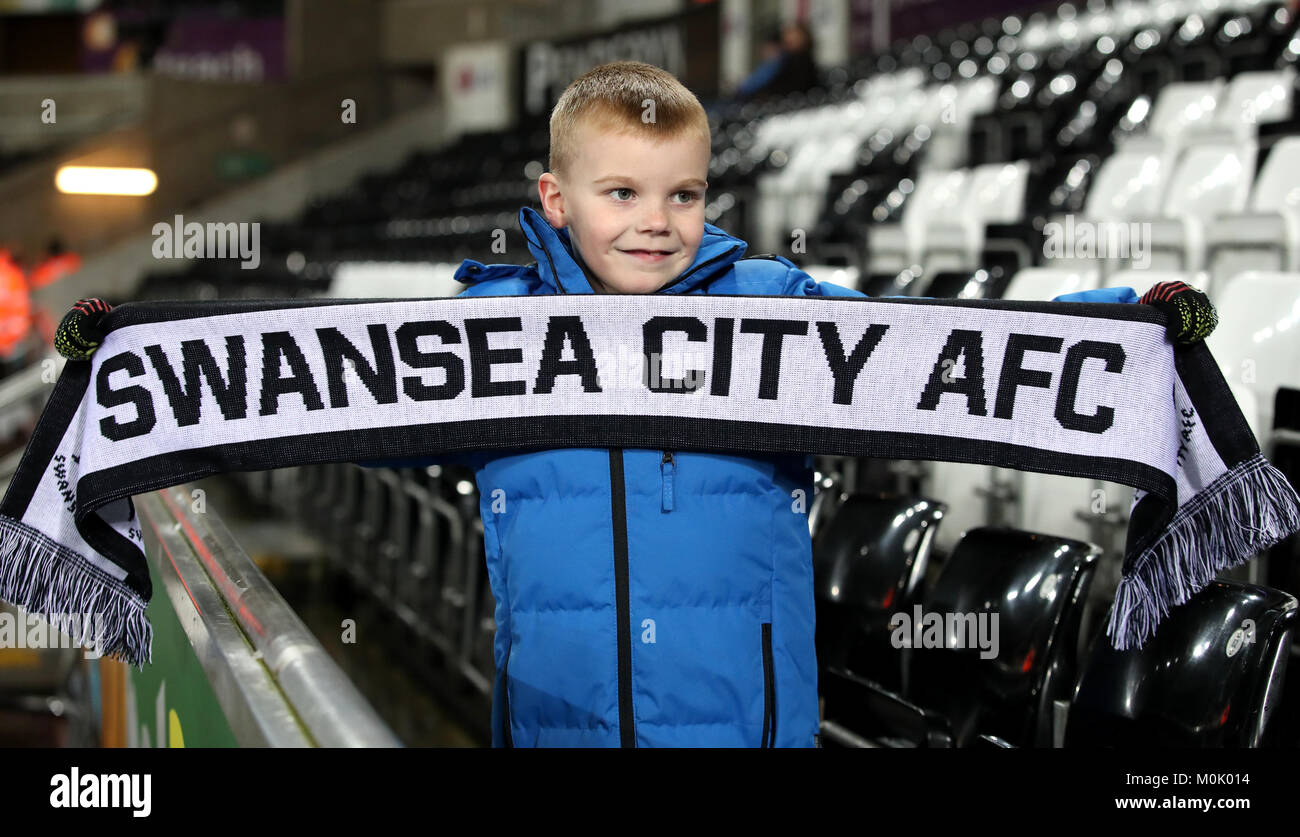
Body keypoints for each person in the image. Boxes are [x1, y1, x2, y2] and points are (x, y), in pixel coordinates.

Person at [53, 61, 1214, 747]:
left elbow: (939, 348)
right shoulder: (492, 339)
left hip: (741, 724)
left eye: (682, 194)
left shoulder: (775, 312)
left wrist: (1122, 327)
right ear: (556, 199)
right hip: (552, 720)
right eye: (620, 193)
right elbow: (321, 392)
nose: (656, 221)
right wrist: (141, 355)